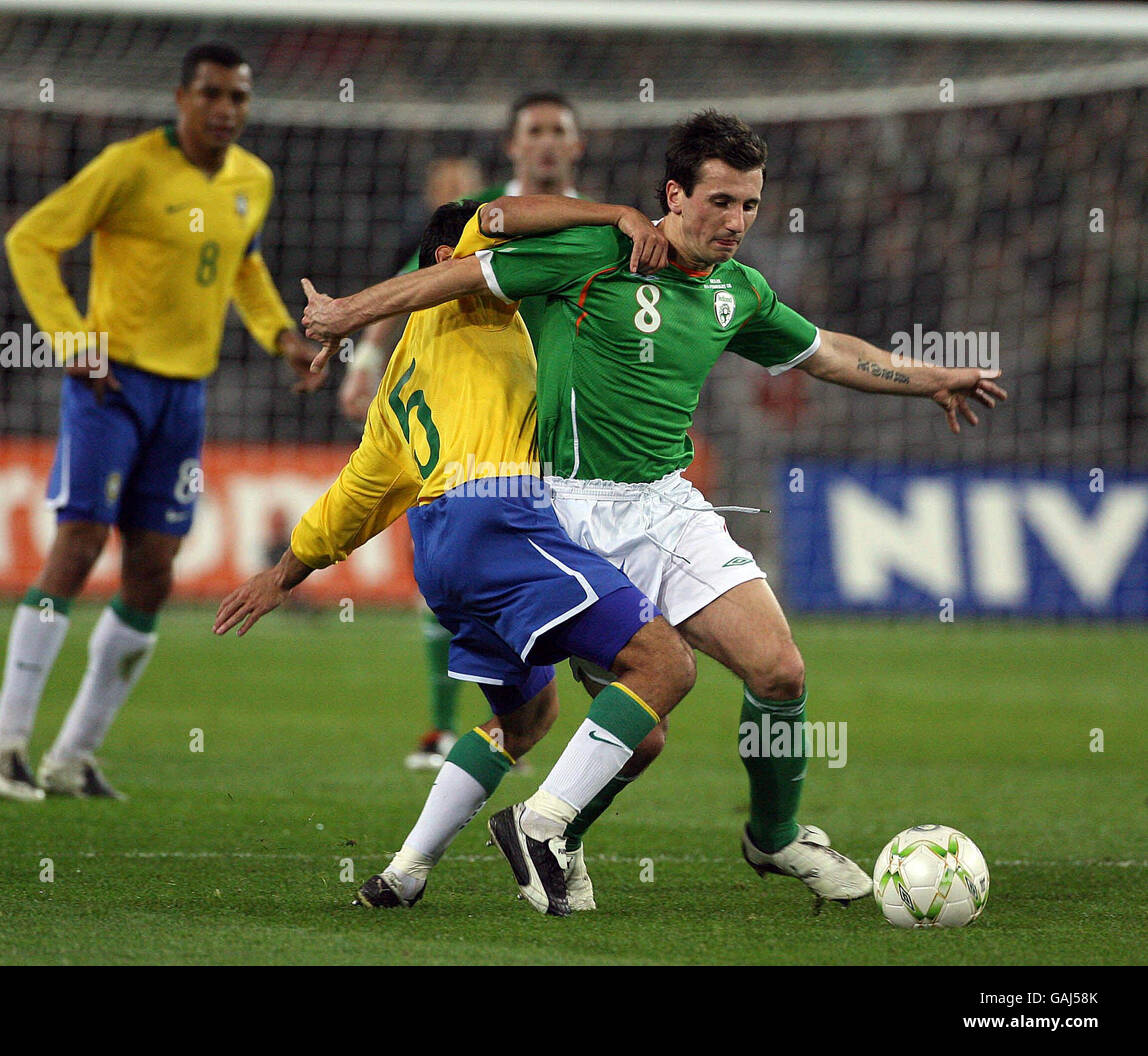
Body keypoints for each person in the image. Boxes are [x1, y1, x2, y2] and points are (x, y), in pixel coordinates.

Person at [302, 110, 1007, 912]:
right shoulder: (597, 252)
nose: (736, 222)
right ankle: (549, 830)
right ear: (675, 195)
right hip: (567, 512)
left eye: (749, 205)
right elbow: (465, 273)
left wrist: (930, 377)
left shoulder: (738, 291)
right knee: (648, 723)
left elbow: (831, 353)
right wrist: (352, 315)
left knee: (780, 671)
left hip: (667, 505)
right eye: (720, 202)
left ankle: (772, 836)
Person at [216, 197, 694, 918]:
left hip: (439, 551)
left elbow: (357, 495)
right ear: (452, 259)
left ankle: (405, 871)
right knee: (664, 664)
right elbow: (499, 215)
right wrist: (619, 213)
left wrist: (284, 573)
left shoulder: (397, 385)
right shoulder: (470, 290)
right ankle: (542, 827)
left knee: (526, 722)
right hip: (498, 513)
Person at [0, 42, 321, 802]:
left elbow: (244, 267)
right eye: (212, 95)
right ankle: (4, 745)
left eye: (238, 97)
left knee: (155, 570)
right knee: (79, 543)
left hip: (184, 399)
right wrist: (70, 338)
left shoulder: (251, 180)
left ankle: (73, 755)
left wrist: (281, 340)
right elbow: (30, 240)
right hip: (112, 385)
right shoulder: (128, 166)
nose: (226, 110)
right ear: (181, 98)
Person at [341, 93, 587, 771]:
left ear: (577, 146)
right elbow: (408, 281)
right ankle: (444, 726)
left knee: (555, 572)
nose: (545, 142)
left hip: (555, 416)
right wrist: (362, 359)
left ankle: (532, 718)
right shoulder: (479, 217)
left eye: (557, 132)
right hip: (469, 406)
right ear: (511, 146)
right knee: (454, 547)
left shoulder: (588, 223)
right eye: (533, 131)